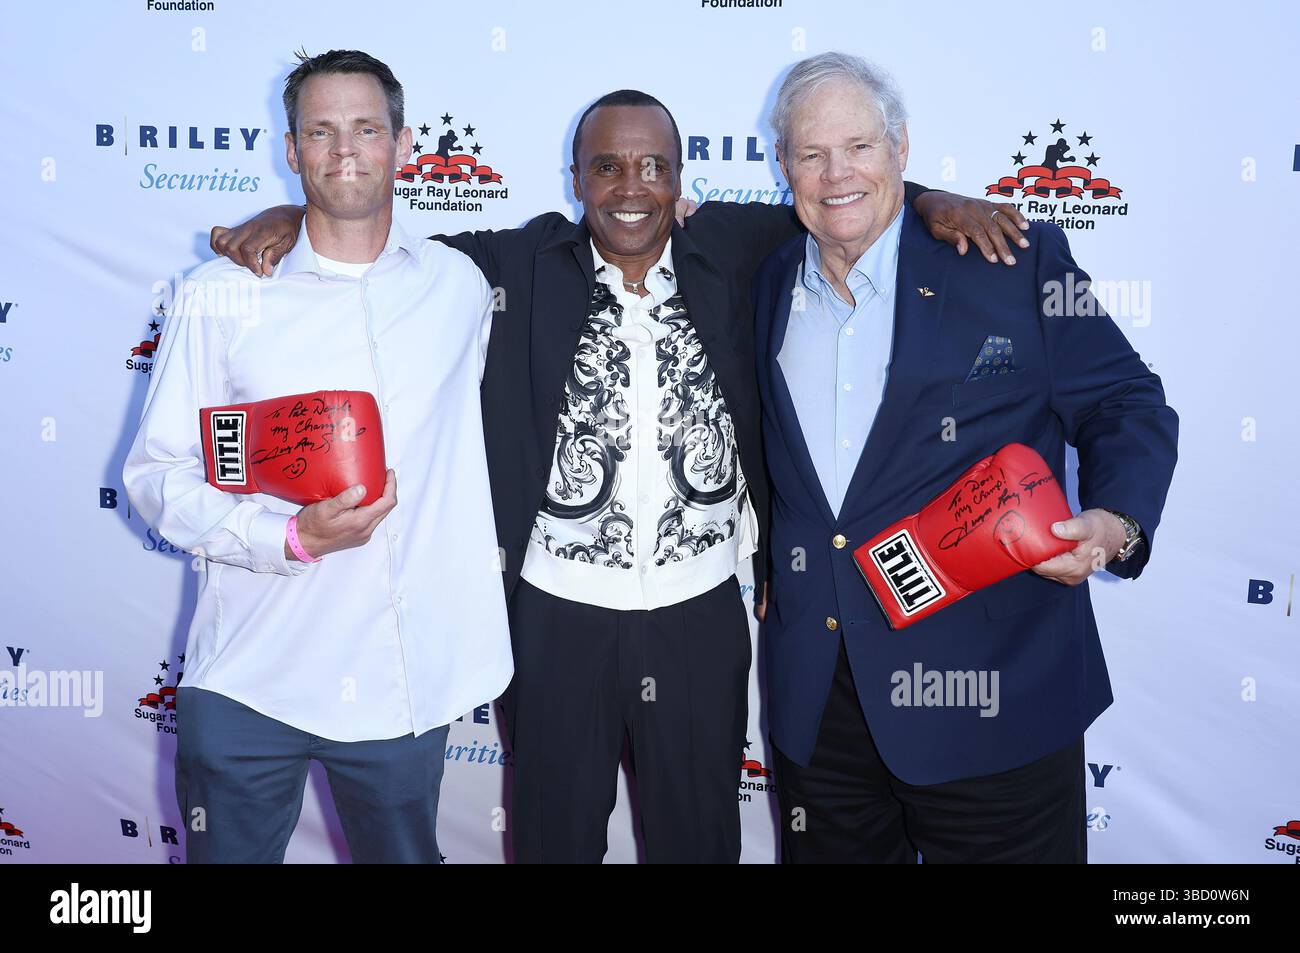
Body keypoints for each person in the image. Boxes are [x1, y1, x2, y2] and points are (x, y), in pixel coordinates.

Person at [212, 88, 1028, 862]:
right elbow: (382, 256)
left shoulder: (737, 250)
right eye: (607, 166)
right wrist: (298, 216)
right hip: (554, 616)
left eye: (653, 167)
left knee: (698, 840)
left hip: (701, 612)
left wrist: (929, 201)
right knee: (553, 840)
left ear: (680, 180)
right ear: (576, 179)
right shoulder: (514, 265)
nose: (631, 187)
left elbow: (842, 196)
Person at [752, 52, 1178, 863]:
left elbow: (1126, 401)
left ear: (902, 150)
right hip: (823, 708)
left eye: (860, 147)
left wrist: (1116, 520)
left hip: (995, 701)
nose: (837, 173)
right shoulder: (765, 277)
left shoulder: (1015, 262)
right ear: (784, 166)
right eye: (811, 154)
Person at [123, 50, 511, 863]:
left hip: (401, 689)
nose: (345, 151)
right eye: (321, 131)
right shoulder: (221, 296)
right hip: (248, 679)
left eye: (367, 129)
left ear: (402, 144)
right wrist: (289, 539)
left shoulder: (459, 287)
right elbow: (158, 477)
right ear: (292, 148)